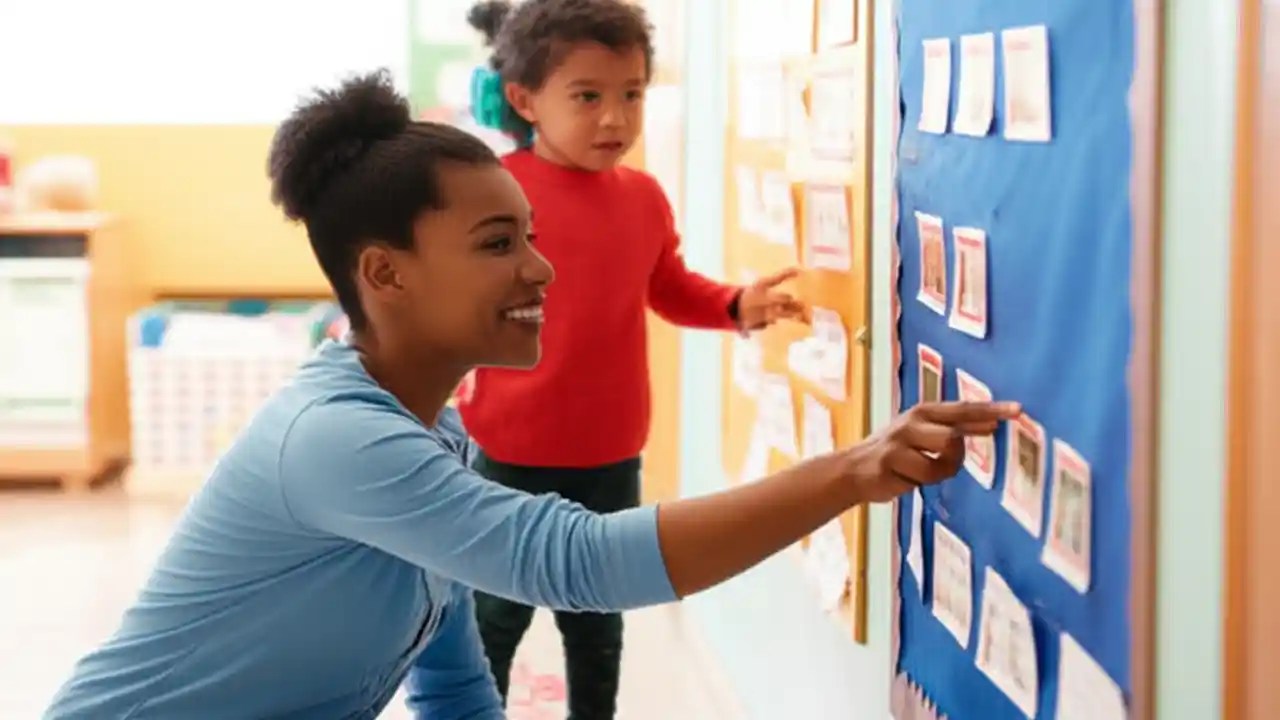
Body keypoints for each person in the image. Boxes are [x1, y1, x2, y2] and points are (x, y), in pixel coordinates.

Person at [43, 70, 1019, 720]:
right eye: (497, 245)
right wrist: (849, 472)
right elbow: (577, 562)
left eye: (532, 237)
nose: (540, 272)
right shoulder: (334, 440)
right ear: (385, 275)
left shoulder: (436, 437)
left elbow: (455, 681)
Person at [434, 2, 805, 716]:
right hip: (506, 451)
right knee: (494, 622)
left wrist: (733, 306)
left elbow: (667, 285)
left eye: (632, 94)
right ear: (524, 100)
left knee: (597, 625)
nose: (615, 118)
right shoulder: (490, 192)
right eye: (588, 96)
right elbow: (452, 297)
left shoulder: (643, 197)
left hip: (609, 456)